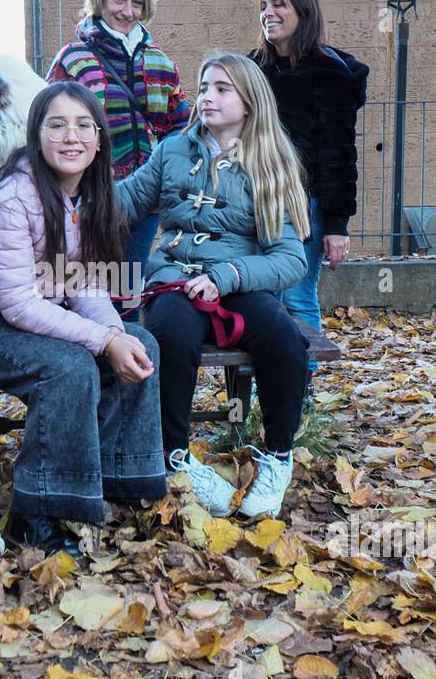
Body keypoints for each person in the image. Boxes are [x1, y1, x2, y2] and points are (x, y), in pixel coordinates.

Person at [0, 82, 168, 556]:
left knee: (142, 340)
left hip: (26, 312)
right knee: (69, 367)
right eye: (57, 125)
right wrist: (104, 344)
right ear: (36, 136)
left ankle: (116, 483)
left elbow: (82, 284)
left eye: (84, 125)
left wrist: (117, 336)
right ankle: (36, 514)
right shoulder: (12, 199)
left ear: (100, 139)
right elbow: (19, 304)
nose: (72, 137)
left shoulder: (86, 196)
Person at [118, 53, 311, 520]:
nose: (207, 96)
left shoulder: (271, 162)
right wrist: (72, 187)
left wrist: (226, 277)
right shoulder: (172, 150)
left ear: (249, 101)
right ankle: (176, 460)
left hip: (239, 280)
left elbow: (291, 258)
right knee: (171, 337)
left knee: (286, 339)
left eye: (222, 88)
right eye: (204, 87)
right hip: (173, 279)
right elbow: (125, 200)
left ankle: (278, 459)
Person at [46, 0, 191, 311]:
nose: (127, 11)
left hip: (144, 198)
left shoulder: (160, 62)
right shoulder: (74, 58)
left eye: (136, 2)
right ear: (100, 0)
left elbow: (180, 125)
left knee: (126, 286)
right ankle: (87, 360)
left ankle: (124, 356)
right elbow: (48, 124)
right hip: (87, 196)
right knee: (83, 287)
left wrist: (164, 174)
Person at [250, 0, 369, 337]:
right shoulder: (251, 69)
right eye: (264, 5)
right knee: (260, 298)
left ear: (303, 11)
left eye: (279, 4)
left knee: (298, 298)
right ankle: (261, 389)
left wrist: (336, 225)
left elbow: (339, 155)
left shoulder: (330, 73)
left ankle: (302, 391)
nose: (268, 12)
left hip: (307, 207)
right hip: (255, 203)